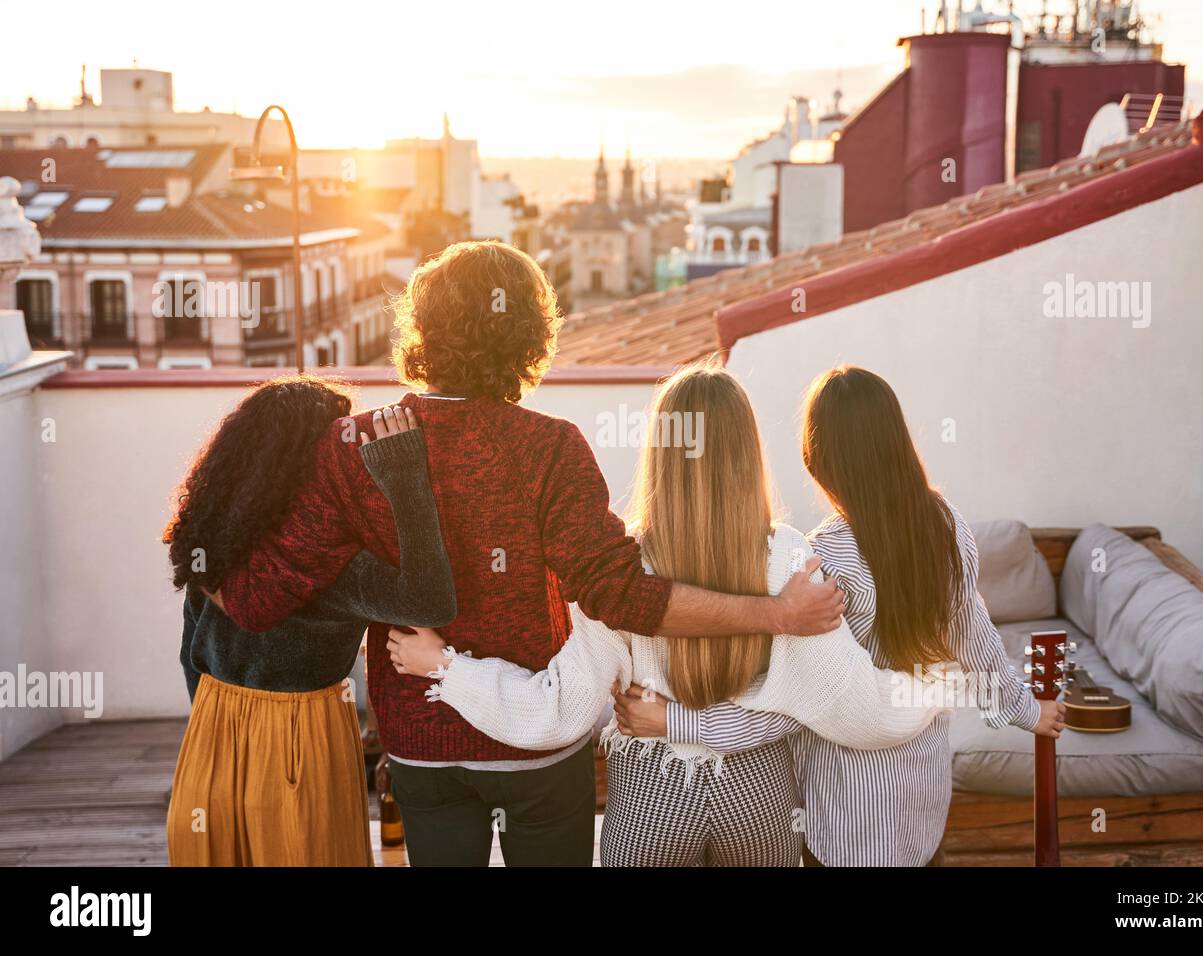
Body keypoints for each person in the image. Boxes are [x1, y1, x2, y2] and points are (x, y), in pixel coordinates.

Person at [213, 242, 843, 867]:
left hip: (420, 741)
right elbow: (622, 596)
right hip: (535, 747)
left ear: (421, 330)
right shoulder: (550, 448)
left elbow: (263, 597)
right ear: (529, 336)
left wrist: (195, 554)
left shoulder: (350, 443)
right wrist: (777, 614)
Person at [387, 363, 946, 866]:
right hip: (759, 801)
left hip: (651, 799)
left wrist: (446, 667)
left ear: (660, 451)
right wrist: (941, 683)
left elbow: (558, 711)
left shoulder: (622, 571)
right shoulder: (790, 559)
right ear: (747, 451)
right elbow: (859, 709)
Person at [616, 365, 1066, 866]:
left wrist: (676, 721)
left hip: (845, 813)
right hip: (922, 794)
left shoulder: (823, 563)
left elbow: (788, 704)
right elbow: (973, 636)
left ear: (818, 461)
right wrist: (1026, 709)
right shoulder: (946, 524)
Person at [163, 379, 456, 866]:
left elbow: (189, 653)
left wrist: (221, 738)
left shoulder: (213, 543)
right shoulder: (334, 561)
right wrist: (406, 478)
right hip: (301, 744)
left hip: (208, 743)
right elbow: (429, 601)